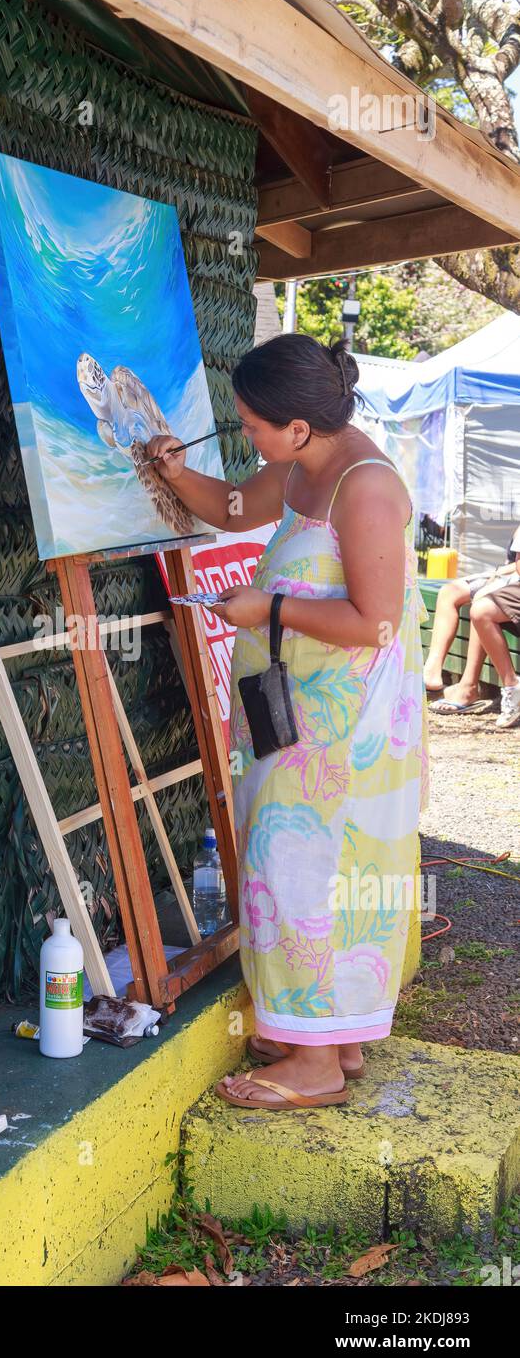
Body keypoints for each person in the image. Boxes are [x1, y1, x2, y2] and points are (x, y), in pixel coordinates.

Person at [146, 333, 427, 1110]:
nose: (246, 436)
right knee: (305, 870)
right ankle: (331, 1038)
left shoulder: (364, 488)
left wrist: (266, 608)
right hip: (304, 715)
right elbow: (236, 507)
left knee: (303, 870)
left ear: (300, 427)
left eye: (252, 425)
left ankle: (314, 1066)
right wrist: (175, 472)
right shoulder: (303, 465)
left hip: (346, 730)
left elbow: (374, 621)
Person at [425, 524, 520, 729]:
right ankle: (431, 673)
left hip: (511, 579)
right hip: (507, 575)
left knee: (483, 603)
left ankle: (468, 686)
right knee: (448, 591)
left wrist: (499, 573)